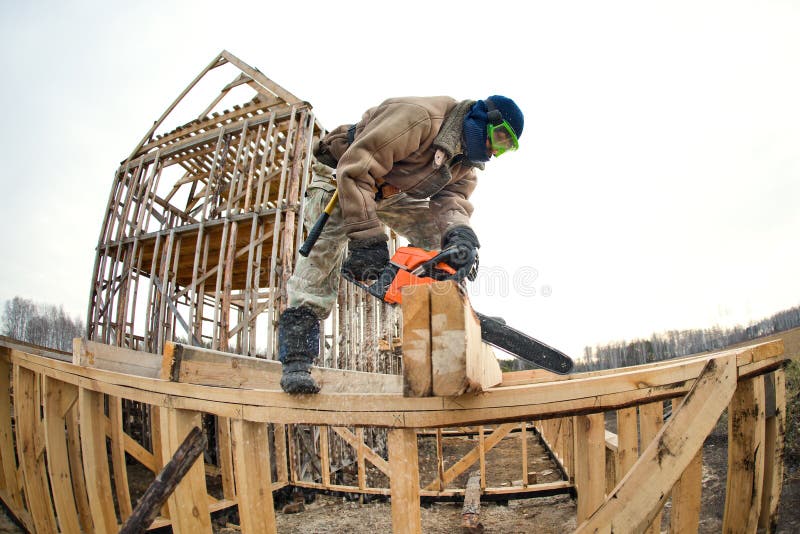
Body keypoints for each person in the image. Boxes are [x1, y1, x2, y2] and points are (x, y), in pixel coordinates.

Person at [278, 95, 524, 394]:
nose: (496, 151)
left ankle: (451, 306)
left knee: (439, 238)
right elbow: (356, 171)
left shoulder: (466, 164)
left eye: (506, 148)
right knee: (321, 261)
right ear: (484, 118)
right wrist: (367, 239)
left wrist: (460, 235)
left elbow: (452, 202)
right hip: (341, 177)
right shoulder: (419, 118)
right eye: (499, 138)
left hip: (387, 189)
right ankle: (296, 361)